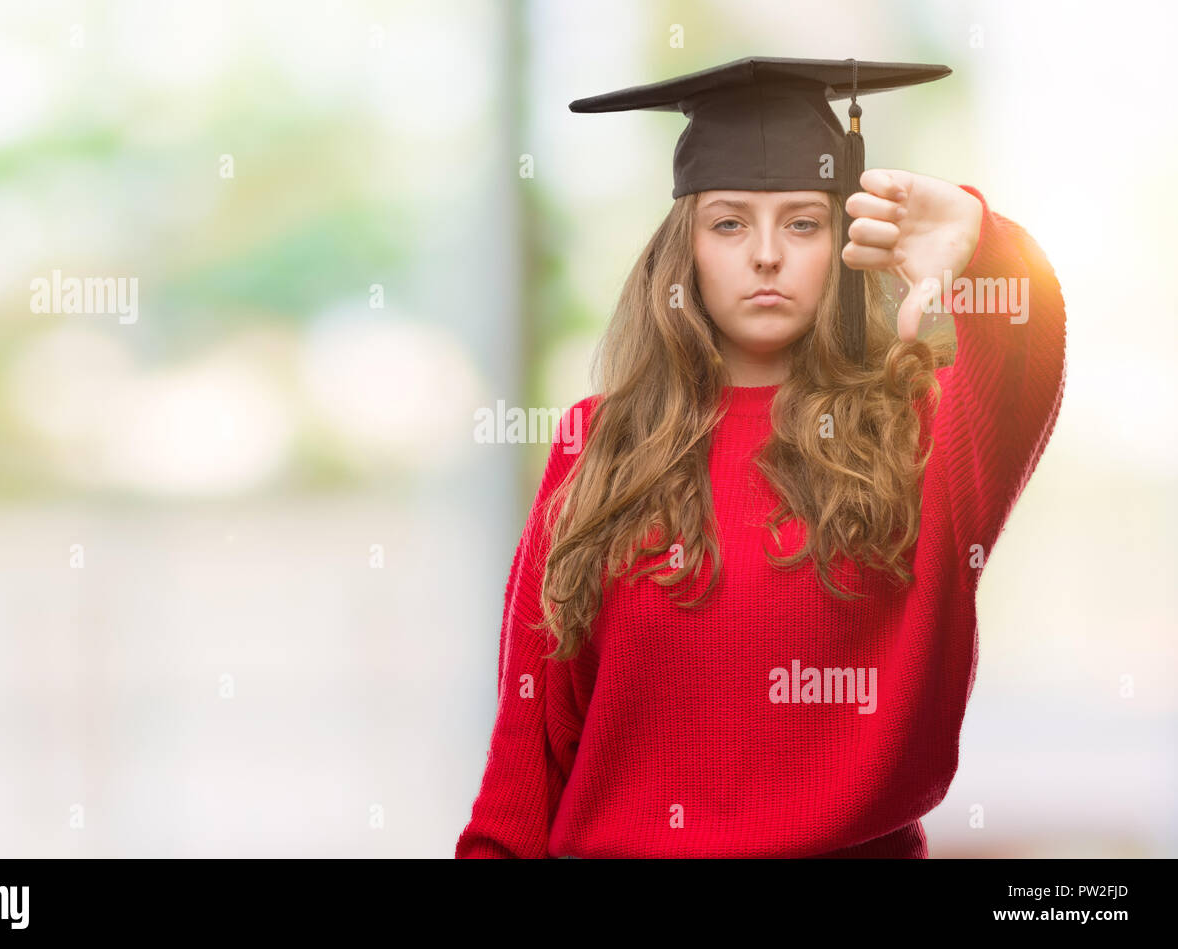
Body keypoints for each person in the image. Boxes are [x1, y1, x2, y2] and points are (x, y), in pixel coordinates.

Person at [455, 56, 1066, 858]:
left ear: (845, 243)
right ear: (686, 249)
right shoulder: (595, 445)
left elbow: (1024, 357)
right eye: (730, 222)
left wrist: (983, 244)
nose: (767, 254)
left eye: (804, 223)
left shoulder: (914, 435)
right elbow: (524, 769)